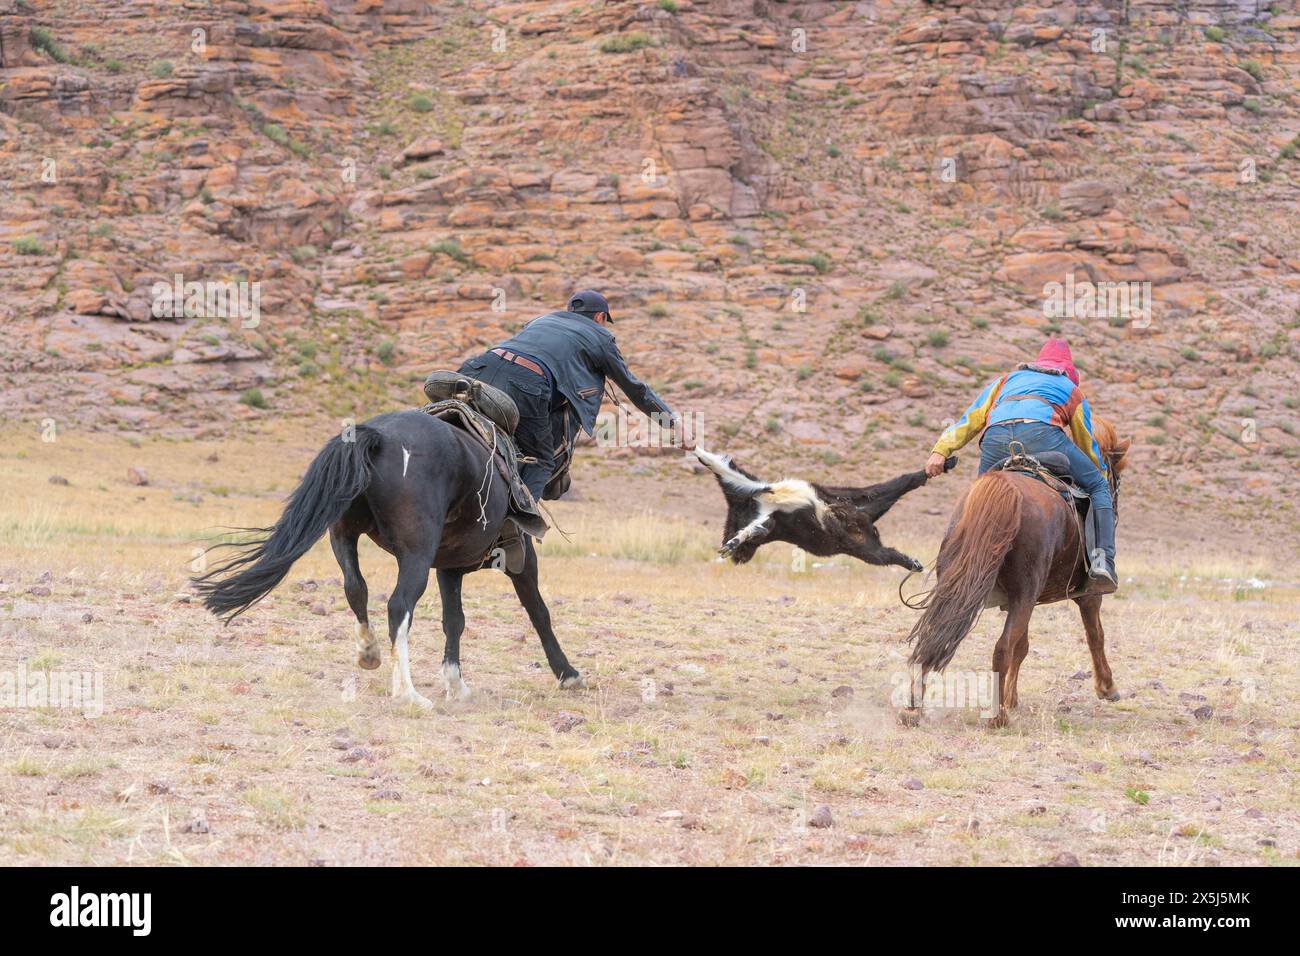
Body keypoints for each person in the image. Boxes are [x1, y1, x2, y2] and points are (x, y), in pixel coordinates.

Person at [457, 290, 682, 563]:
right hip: (527, 382)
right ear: (600, 317)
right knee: (541, 460)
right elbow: (636, 390)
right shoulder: (601, 336)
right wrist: (671, 424)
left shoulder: (542, 320)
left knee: (474, 438)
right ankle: (511, 532)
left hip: (479, 368)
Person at [923, 338, 1118, 592]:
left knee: (978, 498)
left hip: (996, 440)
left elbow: (969, 420)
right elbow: (1085, 441)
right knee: (1098, 486)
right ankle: (1102, 561)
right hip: (1043, 435)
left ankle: (961, 559)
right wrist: (1099, 471)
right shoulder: (1070, 389)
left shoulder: (1004, 381)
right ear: (1068, 372)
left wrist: (941, 450)